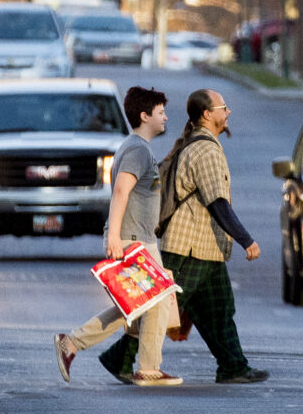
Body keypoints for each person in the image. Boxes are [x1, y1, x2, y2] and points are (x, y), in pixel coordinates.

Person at [98, 89, 270, 385]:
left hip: (207, 248)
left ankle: (233, 366)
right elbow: (218, 202)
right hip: (189, 247)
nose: (228, 113)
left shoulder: (201, 144)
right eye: (224, 107)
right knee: (156, 309)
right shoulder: (205, 150)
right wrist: (246, 239)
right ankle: (120, 358)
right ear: (208, 114)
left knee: (219, 310)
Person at [53, 86, 183, 387]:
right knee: (152, 301)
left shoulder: (135, 147)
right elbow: (121, 191)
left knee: (137, 305)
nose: (165, 118)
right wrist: (114, 235)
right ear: (144, 115)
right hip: (134, 240)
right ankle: (147, 368)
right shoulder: (137, 150)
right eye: (160, 113)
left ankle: (73, 344)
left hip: (139, 238)